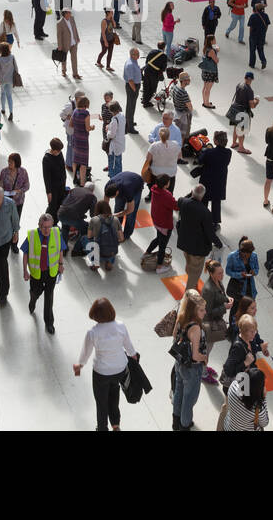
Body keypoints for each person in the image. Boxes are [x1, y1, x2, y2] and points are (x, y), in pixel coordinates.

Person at [73, 299, 138, 431]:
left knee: (101, 402)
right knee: (114, 396)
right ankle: (116, 425)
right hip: (119, 369)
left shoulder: (92, 332)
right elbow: (130, 348)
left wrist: (80, 365)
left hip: (101, 373)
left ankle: (102, 428)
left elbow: (86, 352)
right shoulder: (121, 325)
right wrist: (134, 356)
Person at [21, 213, 66, 334]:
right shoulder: (32, 235)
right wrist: (25, 270)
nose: (47, 230)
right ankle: (33, 298)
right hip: (36, 273)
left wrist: (61, 264)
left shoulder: (56, 233)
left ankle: (49, 323)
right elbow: (25, 254)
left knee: (49, 296)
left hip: (51, 271)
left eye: (49, 227)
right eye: (44, 227)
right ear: (39, 226)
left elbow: (60, 249)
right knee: (37, 291)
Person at [171, 290, 209, 430]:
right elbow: (195, 356)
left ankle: (176, 421)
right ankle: (184, 425)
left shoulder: (181, 318)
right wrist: (204, 358)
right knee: (189, 400)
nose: (204, 312)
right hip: (192, 369)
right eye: (201, 310)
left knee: (179, 392)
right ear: (193, 311)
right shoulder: (196, 328)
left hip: (179, 363)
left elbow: (174, 336)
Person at [177, 184, 221, 290]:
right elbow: (210, 233)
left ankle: (191, 280)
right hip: (197, 248)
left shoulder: (183, 202)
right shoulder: (205, 212)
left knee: (189, 263)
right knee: (195, 272)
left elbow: (182, 198)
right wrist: (218, 243)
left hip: (184, 242)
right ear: (202, 196)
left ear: (192, 192)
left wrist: (191, 194)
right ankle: (189, 293)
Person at [196, 131, 232, 230]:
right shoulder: (228, 153)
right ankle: (215, 222)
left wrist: (204, 151)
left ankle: (202, 220)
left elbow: (200, 161)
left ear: (215, 141)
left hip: (206, 179)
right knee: (216, 202)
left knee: (204, 201)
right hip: (219, 181)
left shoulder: (208, 152)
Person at [144, 174, 179, 274]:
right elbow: (176, 207)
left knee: (158, 239)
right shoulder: (166, 195)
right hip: (165, 224)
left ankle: (147, 253)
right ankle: (159, 267)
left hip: (157, 221)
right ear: (165, 185)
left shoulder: (154, 189)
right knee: (163, 245)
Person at [223, 367, 269, 431]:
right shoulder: (257, 408)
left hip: (228, 427)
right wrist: (263, 399)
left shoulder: (234, 385)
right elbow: (265, 423)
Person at [106, 170, 145, 241]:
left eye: (112, 197)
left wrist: (114, 215)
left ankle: (126, 235)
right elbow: (105, 202)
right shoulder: (108, 186)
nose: (111, 199)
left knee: (131, 215)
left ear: (117, 192)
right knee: (118, 208)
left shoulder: (128, 191)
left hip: (136, 183)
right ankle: (116, 230)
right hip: (124, 178)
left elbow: (130, 210)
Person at [0, 152, 30, 227]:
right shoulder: (4, 172)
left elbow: (27, 185)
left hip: (19, 201)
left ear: (17, 162)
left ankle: (15, 236)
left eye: (11, 162)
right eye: (8, 161)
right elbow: (0, 186)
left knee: (16, 221)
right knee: (6, 222)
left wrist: (19, 191)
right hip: (6, 201)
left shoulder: (23, 172)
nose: (9, 163)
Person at [70, 95, 94, 186]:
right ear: (86, 104)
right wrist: (92, 127)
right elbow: (87, 128)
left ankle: (75, 178)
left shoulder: (75, 111)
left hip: (75, 138)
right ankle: (82, 183)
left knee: (75, 160)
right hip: (83, 140)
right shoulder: (86, 113)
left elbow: (71, 125)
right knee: (83, 162)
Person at [42, 138, 67, 220]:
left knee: (60, 205)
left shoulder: (59, 153)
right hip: (53, 187)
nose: (59, 152)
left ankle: (55, 222)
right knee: (52, 207)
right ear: (53, 149)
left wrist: (64, 183)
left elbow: (63, 169)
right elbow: (46, 177)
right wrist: (48, 192)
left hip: (61, 185)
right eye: (58, 151)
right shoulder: (46, 159)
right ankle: (46, 221)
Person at [140, 42, 168, 109]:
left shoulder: (152, 51)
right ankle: (146, 102)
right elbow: (163, 68)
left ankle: (144, 99)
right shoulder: (164, 56)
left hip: (147, 70)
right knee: (152, 87)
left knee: (146, 85)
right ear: (164, 47)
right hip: (155, 73)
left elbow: (147, 61)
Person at [56, 7, 82, 80]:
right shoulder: (59, 23)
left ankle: (75, 73)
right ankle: (63, 71)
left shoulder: (72, 19)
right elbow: (59, 36)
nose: (70, 14)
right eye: (69, 13)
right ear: (65, 14)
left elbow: (75, 28)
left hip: (74, 42)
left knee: (74, 58)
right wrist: (59, 46)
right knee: (64, 58)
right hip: (65, 44)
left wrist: (77, 37)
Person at [122, 48, 142, 135]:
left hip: (134, 86)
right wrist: (134, 89)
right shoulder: (130, 64)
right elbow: (130, 80)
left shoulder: (134, 61)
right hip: (132, 87)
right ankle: (129, 127)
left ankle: (129, 121)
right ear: (132, 55)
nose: (139, 55)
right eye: (137, 54)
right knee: (131, 106)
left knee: (131, 105)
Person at [105, 101, 126, 178]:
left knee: (113, 164)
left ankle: (114, 178)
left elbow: (112, 135)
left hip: (115, 145)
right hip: (121, 143)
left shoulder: (114, 120)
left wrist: (107, 131)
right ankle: (120, 177)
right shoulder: (122, 116)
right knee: (119, 163)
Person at [171, 72, 194, 142]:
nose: (189, 81)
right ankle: (179, 150)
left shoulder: (175, 87)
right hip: (183, 116)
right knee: (182, 136)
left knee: (176, 133)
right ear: (184, 81)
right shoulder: (183, 93)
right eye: (188, 79)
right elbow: (190, 108)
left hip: (176, 113)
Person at [247, 2, 271, 70]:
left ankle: (252, 64)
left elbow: (251, 27)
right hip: (262, 36)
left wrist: (250, 35)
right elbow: (267, 26)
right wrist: (264, 33)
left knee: (252, 50)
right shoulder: (266, 15)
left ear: (256, 9)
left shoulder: (253, 16)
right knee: (260, 49)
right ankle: (263, 61)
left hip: (253, 36)